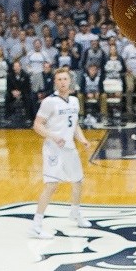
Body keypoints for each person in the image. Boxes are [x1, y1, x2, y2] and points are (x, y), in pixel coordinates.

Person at [30, 67, 89, 238]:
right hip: (54, 149)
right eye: (59, 80)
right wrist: (53, 137)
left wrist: (82, 139)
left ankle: (75, 213)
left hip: (70, 147)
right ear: (55, 82)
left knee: (78, 181)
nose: (63, 82)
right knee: (52, 186)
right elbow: (37, 125)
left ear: (70, 81)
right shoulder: (49, 102)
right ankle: (36, 225)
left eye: (65, 79)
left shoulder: (74, 101)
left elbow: (75, 124)